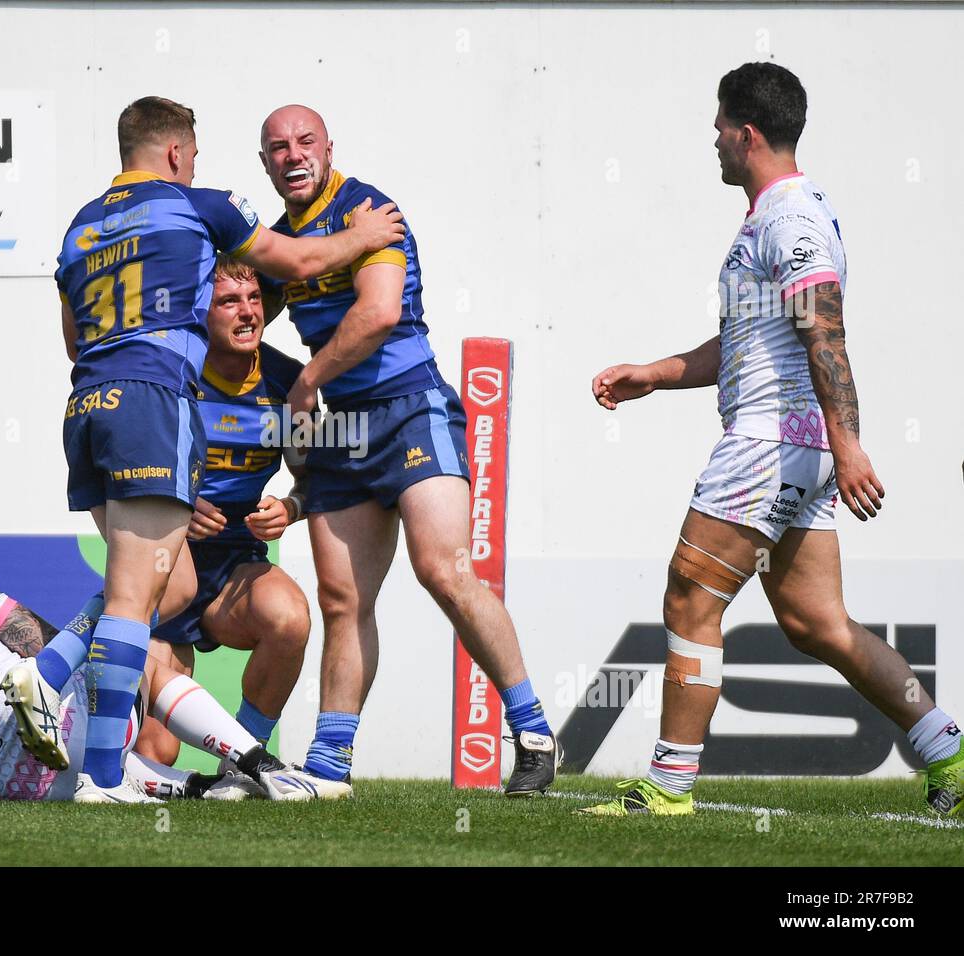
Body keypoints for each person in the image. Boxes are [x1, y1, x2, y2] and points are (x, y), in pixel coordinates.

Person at [583, 62, 962, 817]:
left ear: (747, 133)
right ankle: (947, 748)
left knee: (690, 595)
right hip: (799, 449)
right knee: (818, 624)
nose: (714, 139)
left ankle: (668, 786)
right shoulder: (780, 215)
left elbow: (824, 329)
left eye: (720, 126)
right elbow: (750, 342)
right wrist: (656, 374)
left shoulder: (788, 220)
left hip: (769, 444)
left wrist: (849, 445)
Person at [1, 95, 404, 795]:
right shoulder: (199, 205)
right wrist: (362, 234)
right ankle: (80, 737)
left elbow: (73, 340)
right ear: (176, 152)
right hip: (151, 401)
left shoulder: (79, 228)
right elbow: (297, 259)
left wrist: (292, 504)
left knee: (160, 587)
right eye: (193, 156)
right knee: (135, 600)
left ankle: (79, 714)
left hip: (88, 407)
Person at [255, 105, 559, 797]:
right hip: (344, 428)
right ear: (265, 162)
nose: (293, 155)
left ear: (329, 147)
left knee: (444, 571)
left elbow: (380, 313)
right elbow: (236, 310)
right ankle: (330, 763)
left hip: (411, 407)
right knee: (342, 600)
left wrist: (303, 381)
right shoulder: (279, 242)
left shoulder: (368, 208)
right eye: (278, 147)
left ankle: (535, 734)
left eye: (305, 141)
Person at [0, 536, 326, 803]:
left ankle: (194, 787)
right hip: (62, 732)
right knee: (137, 664)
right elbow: (34, 638)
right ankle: (257, 763)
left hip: (24, 792)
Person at [135, 258, 311, 769]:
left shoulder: (289, 381)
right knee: (156, 753)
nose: (248, 312)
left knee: (289, 619)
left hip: (236, 563)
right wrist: (177, 502)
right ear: (201, 312)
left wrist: (291, 506)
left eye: (254, 299)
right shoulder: (172, 373)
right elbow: (122, 470)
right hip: (167, 559)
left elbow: (318, 478)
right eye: (229, 301)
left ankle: (241, 765)